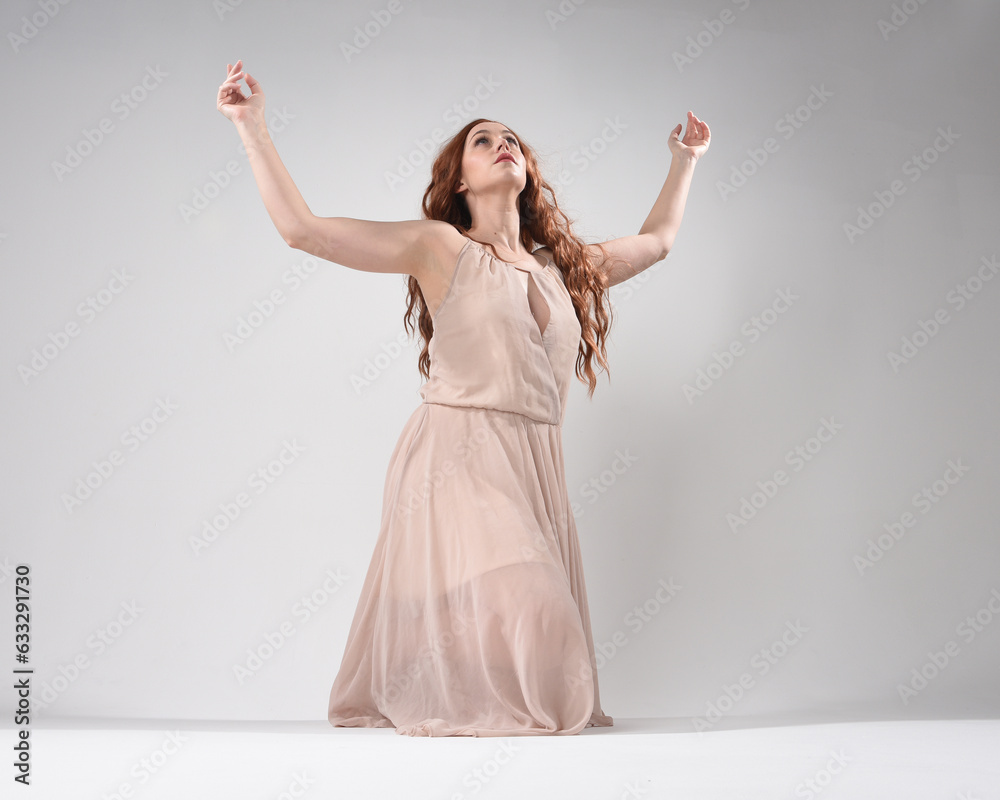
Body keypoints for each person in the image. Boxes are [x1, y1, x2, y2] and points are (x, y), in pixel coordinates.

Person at [217, 59, 710, 737]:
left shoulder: (559, 270)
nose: (502, 142)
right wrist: (251, 126)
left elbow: (657, 242)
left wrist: (686, 159)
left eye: (512, 139)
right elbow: (303, 230)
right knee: (536, 607)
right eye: (483, 140)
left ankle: (457, 710)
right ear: (460, 179)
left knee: (500, 621)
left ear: (528, 171)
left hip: (533, 460)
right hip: (457, 454)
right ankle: (451, 708)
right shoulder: (441, 248)